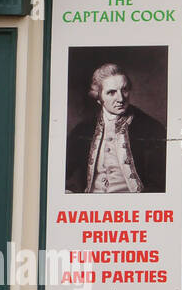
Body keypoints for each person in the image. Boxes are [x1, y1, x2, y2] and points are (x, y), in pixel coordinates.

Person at [65, 63, 167, 194]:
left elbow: (158, 184)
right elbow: (71, 179)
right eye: (111, 92)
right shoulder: (81, 131)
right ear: (98, 97)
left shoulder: (151, 129)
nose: (120, 98)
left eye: (124, 90)